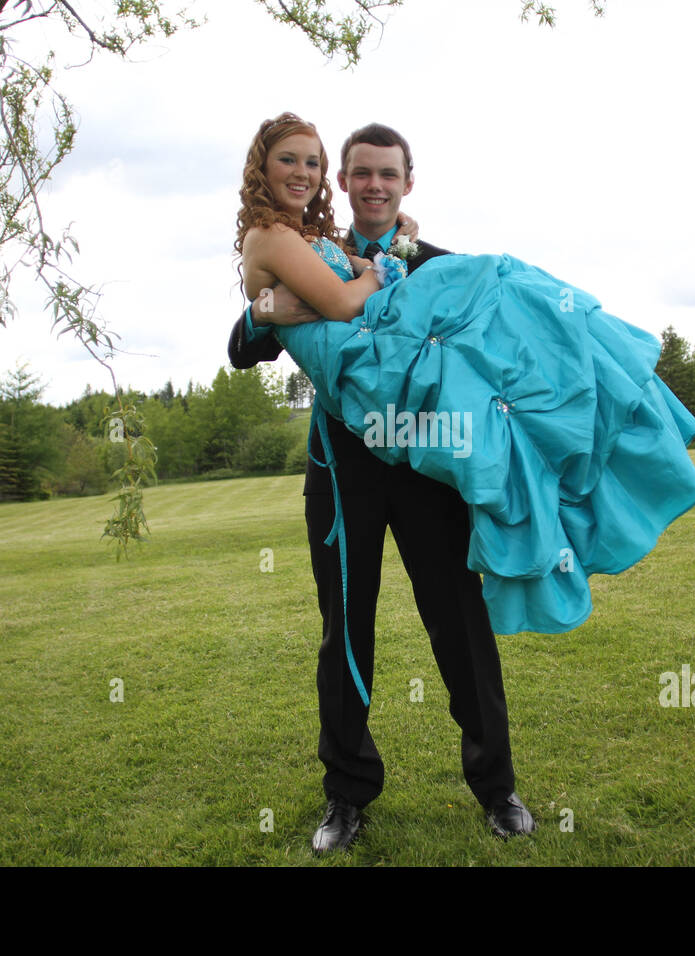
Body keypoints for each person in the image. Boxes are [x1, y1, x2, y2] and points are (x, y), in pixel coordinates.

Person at [230, 115, 532, 853]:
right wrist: (269, 306)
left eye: (387, 175)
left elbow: (490, 349)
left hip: (430, 468)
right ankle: (346, 797)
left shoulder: (436, 263)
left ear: (406, 183)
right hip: (343, 474)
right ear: (345, 181)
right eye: (361, 173)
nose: (373, 185)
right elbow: (242, 346)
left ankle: (498, 789)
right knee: (345, 635)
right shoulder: (313, 253)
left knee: (462, 626)